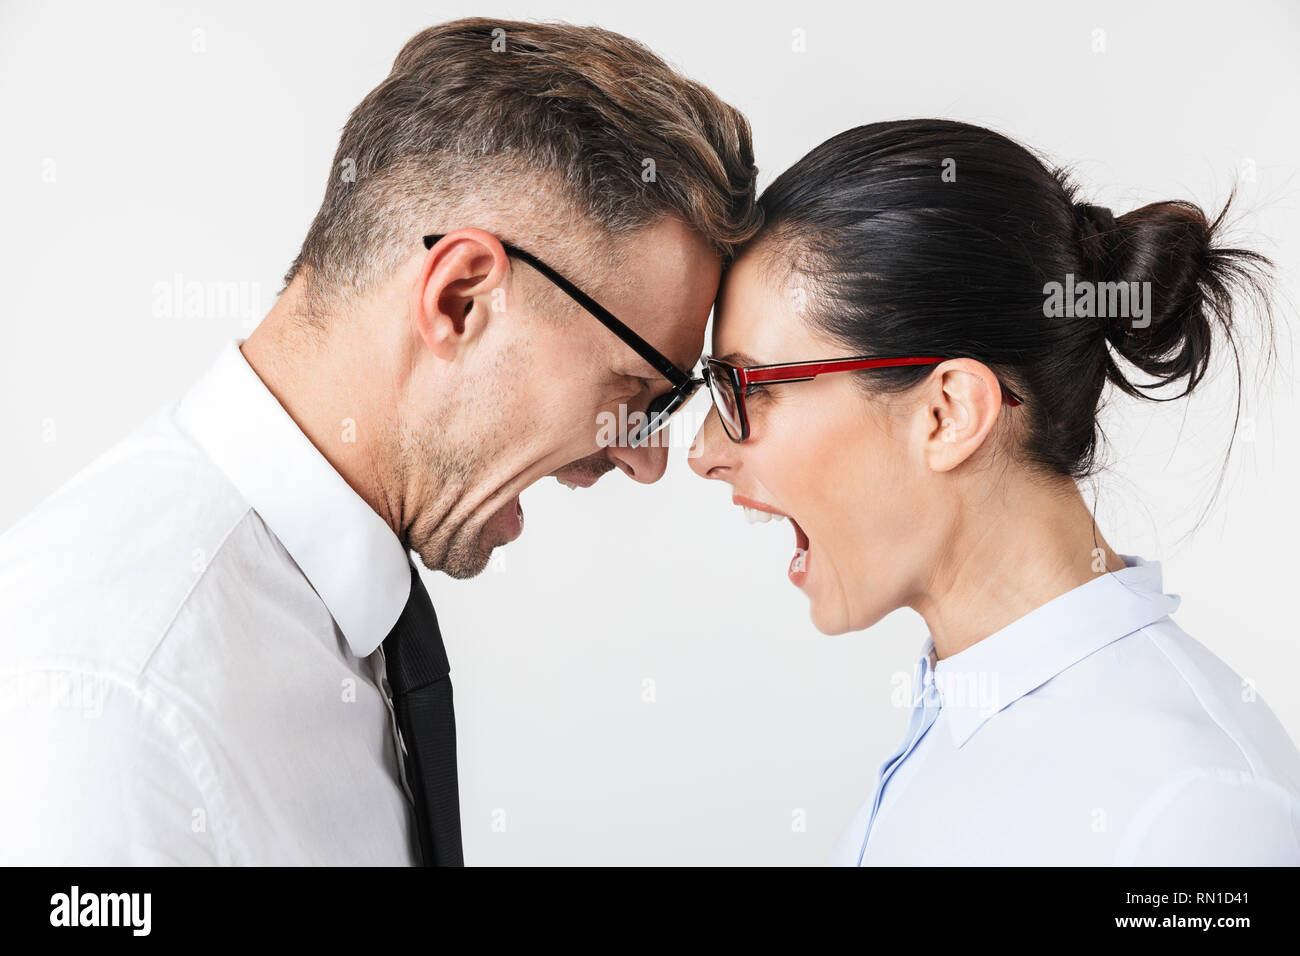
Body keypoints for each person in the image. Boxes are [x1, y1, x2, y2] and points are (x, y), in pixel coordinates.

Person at [0, 18, 759, 865]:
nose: (646, 458)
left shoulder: (317, 625)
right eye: (636, 389)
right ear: (462, 299)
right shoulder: (112, 710)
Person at [688, 119, 1300, 865]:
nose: (704, 452)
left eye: (746, 387)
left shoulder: (1194, 808)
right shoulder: (961, 714)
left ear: (948, 414)